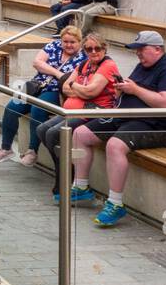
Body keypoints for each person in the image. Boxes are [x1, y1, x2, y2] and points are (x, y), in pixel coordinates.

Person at [69, 31, 166, 228]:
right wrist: (120, 89)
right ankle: (81, 186)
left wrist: (135, 90)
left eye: (142, 49)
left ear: (158, 49)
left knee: (115, 146)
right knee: (80, 134)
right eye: (136, 50)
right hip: (126, 116)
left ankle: (115, 203)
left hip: (154, 124)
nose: (138, 54)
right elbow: (132, 89)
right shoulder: (143, 66)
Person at [35, 33, 120, 195]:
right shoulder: (84, 64)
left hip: (92, 114)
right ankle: (65, 169)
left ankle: (65, 180)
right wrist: (78, 89)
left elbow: (91, 91)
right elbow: (65, 87)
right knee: (42, 130)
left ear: (105, 48)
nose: (93, 52)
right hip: (72, 111)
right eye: (89, 49)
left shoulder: (108, 65)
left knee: (53, 134)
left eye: (98, 48)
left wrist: (75, 85)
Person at [0, 26, 85, 166]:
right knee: (12, 106)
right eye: (65, 41)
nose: (68, 45)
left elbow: (72, 80)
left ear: (80, 42)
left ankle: (32, 151)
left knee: (38, 109)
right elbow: (37, 63)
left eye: (72, 42)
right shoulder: (53, 45)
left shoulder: (83, 57)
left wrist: (49, 70)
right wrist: (58, 74)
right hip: (36, 86)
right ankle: (6, 148)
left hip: (56, 91)